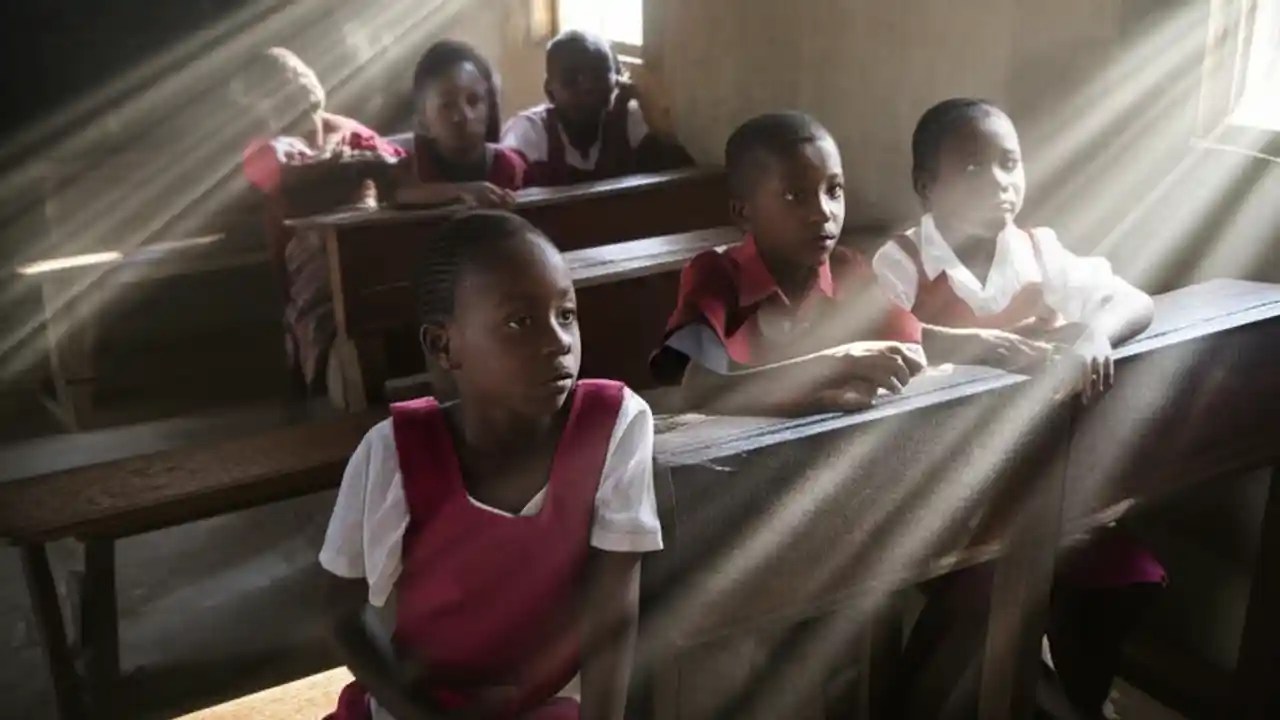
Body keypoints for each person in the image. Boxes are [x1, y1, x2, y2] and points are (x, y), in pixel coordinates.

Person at [872, 98, 1163, 720]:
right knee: (989, 591)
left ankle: (1066, 697)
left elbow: (1132, 300)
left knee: (1128, 577)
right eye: (973, 168)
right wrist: (981, 348)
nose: (1000, 181)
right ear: (926, 186)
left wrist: (1093, 334)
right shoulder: (902, 264)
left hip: (1040, 483)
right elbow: (883, 342)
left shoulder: (1038, 251)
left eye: (1010, 162)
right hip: (935, 491)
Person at [320, 211, 662, 720]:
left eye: (566, 314)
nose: (559, 341)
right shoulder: (394, 453)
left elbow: (613, 615)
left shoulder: (613, 425)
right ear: (443, 345)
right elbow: (340, 616)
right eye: (520, 322)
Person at [650, 111, 926, 416]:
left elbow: (910, 340)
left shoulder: (845, 266)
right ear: (743, 212)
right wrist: (836, 364)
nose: (824, 212)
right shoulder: (716, 274)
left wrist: (966, 344)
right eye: (795, 195)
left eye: (834, 191)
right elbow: (700, 389)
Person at [236, 47, 404, 393]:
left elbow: (395, 165)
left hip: (371, 234)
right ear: (260, 105)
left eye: (298, 75)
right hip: (314, 252)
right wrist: (341, 164)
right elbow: (283, 178)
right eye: (277, 87)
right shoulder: (266, 150)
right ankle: (337, 365)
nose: (296, 87)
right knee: (331, 278)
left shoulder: (347, 130)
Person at [501, 30, 694, 187]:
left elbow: (683, 183)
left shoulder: (629, 121)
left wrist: (654, 118)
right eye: (571, 77)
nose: (588, 87)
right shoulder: (530, 131)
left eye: (599, 74)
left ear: (617, 82)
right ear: (549, 89)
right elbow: (502, 178)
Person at [394, 40, 526, 208]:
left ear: (490, 108)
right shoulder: (408, 167)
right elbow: (394, 195)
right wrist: (465, 192)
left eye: (473, 100)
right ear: (422, 121)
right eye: (447, 105)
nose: (464, 116)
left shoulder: (511, 168)